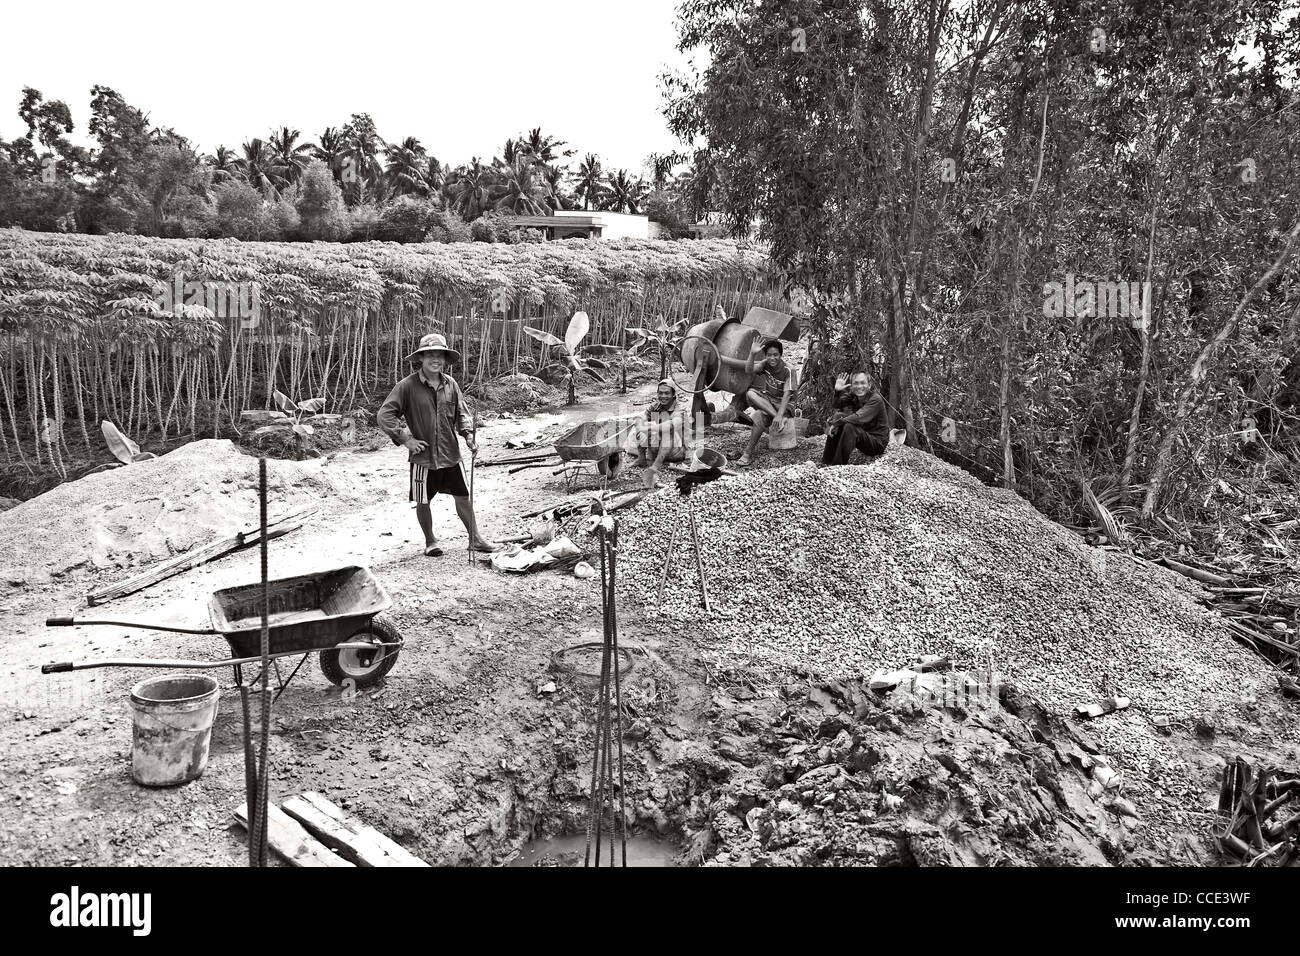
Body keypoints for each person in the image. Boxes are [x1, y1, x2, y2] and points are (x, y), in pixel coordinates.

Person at [378, 332, 498, 556]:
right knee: (423, 500)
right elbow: (385, 415)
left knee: (463, 496)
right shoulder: (407, 386)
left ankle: (476, 539)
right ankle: (430, 541)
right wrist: (406, 439)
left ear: (445, 359)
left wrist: (469, 436)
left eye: (440, 355)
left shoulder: (450, 384)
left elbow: (462, 412)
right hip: (423, 456)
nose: (436, 359)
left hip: (451, 453)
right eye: (430, 355)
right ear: (421, 358)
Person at [735, 338, 796, 466]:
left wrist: (780, 414)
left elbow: (787, 394)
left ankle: (747, 453)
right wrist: (752, 354)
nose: (772, 358)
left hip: (784, 405)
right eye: (769, 355)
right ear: (765, 355)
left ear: (781, 355)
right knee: (750, 393)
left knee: (759, 418)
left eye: (775, 355)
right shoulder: (765, 364)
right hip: (770, 401)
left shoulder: (789, 370)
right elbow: (748, 370)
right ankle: (775, 418)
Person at [822, 370, 889, 466]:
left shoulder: (875, 399)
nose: (859, 386)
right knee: (838, 418)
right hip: (863, 435)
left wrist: (836, 424)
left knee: (849, 426)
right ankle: (826, 462)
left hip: (876, 443)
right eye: (856, 383)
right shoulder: (854, 396)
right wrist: (838, 391)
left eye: (863, 383)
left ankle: (837, 466)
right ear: (852, 386)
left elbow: (858, 417)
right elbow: (837, 405)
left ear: (869, 385)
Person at [635, 379, 692, 487]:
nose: (663, 396)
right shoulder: (655, 406)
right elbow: (640, 417)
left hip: (677, 451)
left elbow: (672, 425)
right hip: (661, 447)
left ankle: (655, 466)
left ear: (673, 394)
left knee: (665, 430)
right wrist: (640, 427)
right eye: (660, 393)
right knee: (639, 427)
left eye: (667, 393)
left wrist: (649, 428)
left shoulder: (680, 409)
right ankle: (642, 459)